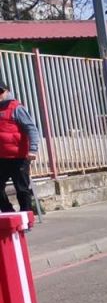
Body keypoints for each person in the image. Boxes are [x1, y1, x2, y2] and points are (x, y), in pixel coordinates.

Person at [0, 81, 42, 214]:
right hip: (2, 157)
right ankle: (9, 214)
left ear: (7, 91)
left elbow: (31, 129)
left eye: (0, 92)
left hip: (18, 157)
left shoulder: (16, 108)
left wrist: (33, 149)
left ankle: (26, 217)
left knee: (22, 189)